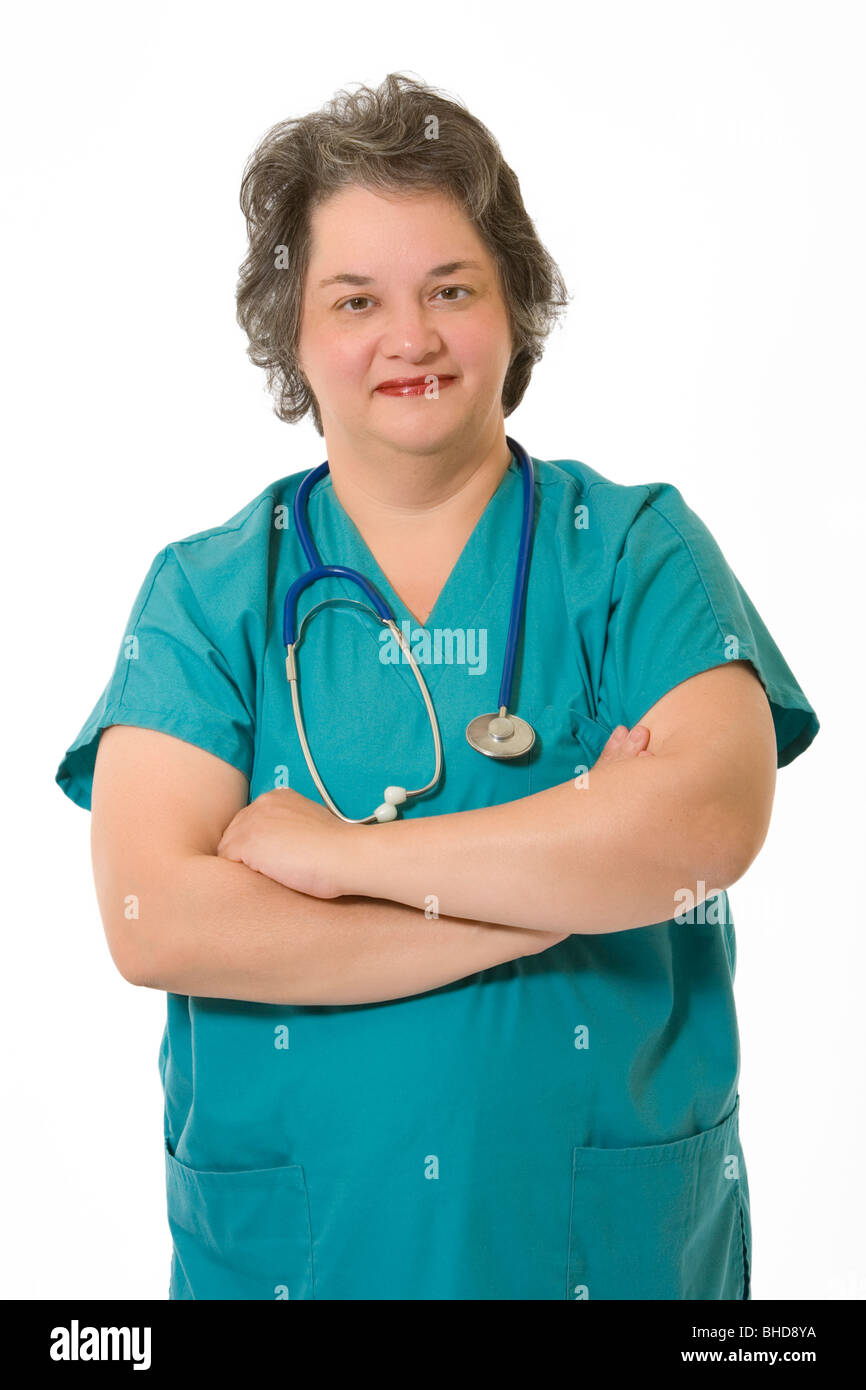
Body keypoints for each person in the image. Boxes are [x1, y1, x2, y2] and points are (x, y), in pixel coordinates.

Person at [55, 72, 819, 1301]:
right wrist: (565, 879)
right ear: (291, 336)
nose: (408, 338)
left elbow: (699, 830)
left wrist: (336, 855)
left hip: (607, 1259)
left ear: (513, 306)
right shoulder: (205, 597)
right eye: (355, 299)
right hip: (301, 1258)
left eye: (450, 290)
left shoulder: (632, 551)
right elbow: (156, 918)